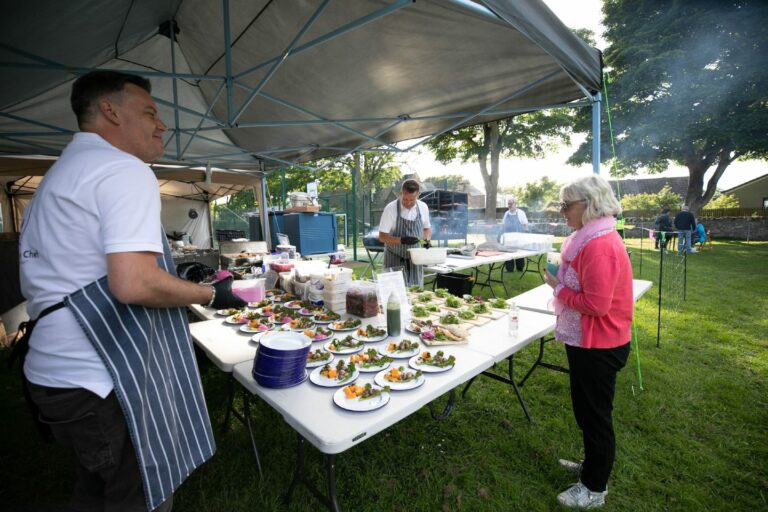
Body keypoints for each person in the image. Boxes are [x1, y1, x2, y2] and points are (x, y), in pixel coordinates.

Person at [18, 70, 245, 511]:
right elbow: (133, 282)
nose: (162, 125)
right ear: (109, 110)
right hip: (100, 378)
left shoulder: (60, 175)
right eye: (149, 112)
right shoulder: (122, 169)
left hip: (54, 375)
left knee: (95, 488)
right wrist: (211, 296)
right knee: (138, 498)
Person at [543, 175, 633, 509]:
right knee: (586, 411)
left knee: (595, 416)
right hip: (587, 341)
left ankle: (594, 488)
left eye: (568, 205)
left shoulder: (599, 245)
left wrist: (557, 287)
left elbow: (596, 305)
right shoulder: (588, 238)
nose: (562, 211)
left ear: (590, 204)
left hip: (600, 344)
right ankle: (591, 465)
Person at [378, 179, 432, 286]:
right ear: (401, 193)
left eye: (412, 200)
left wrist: (427, 239)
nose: (408, 203)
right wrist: (401, 240)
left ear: (418, 195)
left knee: (416, 292)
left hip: (415, 260)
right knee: (394, 294)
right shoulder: (390, 209)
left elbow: (427, 229)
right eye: (405, 199)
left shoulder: (423, 207)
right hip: (394, 258)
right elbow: (382, 237)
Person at [500, 196, 528, 272]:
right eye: (508, 204)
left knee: (519, 253)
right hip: (508, 237)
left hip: (518, 237)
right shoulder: (506, 213)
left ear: (515, 204)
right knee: (509, 254)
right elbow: (503, 225)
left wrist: (524, 235)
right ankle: (509, 269)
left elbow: (525, 224)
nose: (509, 205)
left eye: (511, 203)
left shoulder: (521, 213)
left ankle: (520, 268)